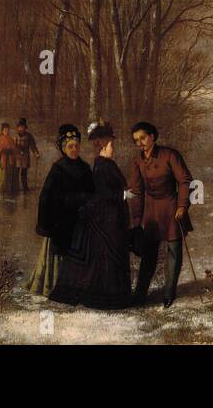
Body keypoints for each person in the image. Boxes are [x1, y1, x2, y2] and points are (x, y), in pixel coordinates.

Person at [50, 122, 133, 309]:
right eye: (110, 144)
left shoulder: (105, 164)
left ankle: (115, 296)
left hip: (112, 216)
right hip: (107, 218)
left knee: (110, 255)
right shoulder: (102, 165)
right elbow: (104, 193)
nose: (113, 147)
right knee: (107, 255)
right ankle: (107, 297)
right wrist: (125, 195)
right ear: (103, 145)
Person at [127, 121, 194, 308]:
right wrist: (137, 220)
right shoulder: (137, 162)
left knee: (173, 252)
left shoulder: (169, 155)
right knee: (149, 254)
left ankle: (169, 293)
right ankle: (140, 295)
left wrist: (182, 206)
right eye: (136, 140)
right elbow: (137, 192)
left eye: (142, 138)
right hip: (151, 211)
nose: (140, 143)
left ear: (152, 136)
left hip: (172, 207)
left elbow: (184, 180)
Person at [26, 124, 96, 297]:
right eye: (70, 146)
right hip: (61, 222)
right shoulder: (58, 169)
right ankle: (55, 287)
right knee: (59, 256)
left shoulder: (86, 168)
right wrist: (46, 224)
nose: (74, 149)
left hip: (80, 221)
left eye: (76, 146)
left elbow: (92, 193)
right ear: (63, 148)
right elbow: (46, 197)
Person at [0, 122, 20, 198]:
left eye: (8, 130)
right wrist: (3, 150)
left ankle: (10, 189)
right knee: (3, 176)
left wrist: (13, 148)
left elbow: (14, 149)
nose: (7, 131)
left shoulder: (10, 139)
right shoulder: (0, 139)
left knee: (10, 175)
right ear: (2, 130)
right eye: (5, 130)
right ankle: (2, 189)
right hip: (2, 160)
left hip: (10, 160)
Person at [13, 118, 41, 193]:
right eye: (19, 127)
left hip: (25, 156)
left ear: (25, 128)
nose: (21, 128)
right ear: (17, 127)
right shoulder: (15, 136)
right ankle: (15, 188)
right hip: (17, 157)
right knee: (16, 172)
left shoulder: (29, 136)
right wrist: (18, 151)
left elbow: (33, 146)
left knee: (24, 173)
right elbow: (13, 146)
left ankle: (25, 188)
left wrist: (36, 153)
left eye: (22, 127)